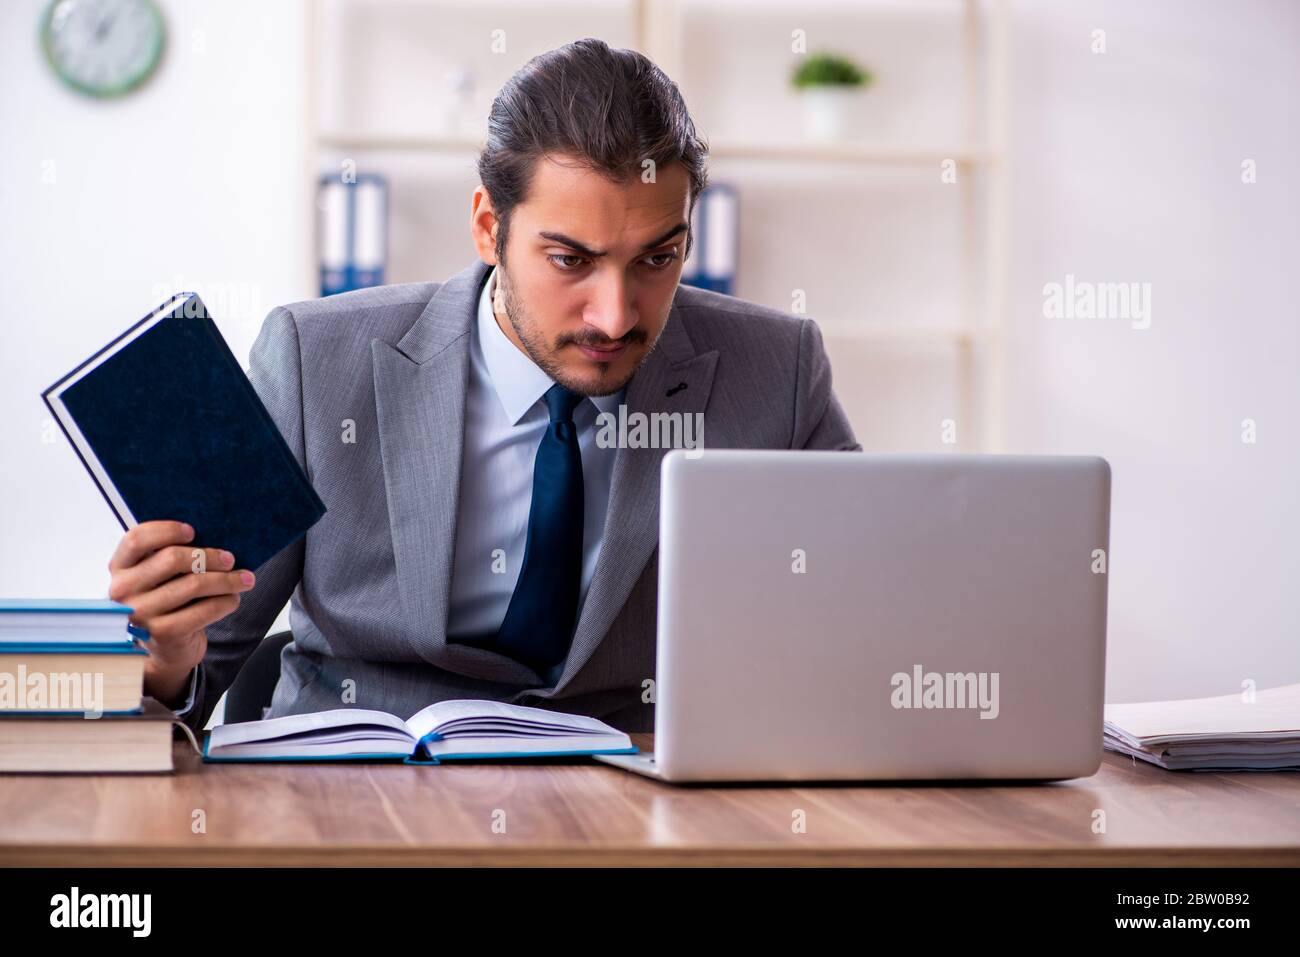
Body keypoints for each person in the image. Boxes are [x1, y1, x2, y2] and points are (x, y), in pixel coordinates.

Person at [107, 38, 861, 735]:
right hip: (359, 800)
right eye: (570, 259)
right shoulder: (313, 361)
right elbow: (188, 677)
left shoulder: (778, 368)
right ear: (486, 226)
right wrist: (166, 652)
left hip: (639, 802)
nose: (615, 313)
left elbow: (868, 625)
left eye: (658, 258)